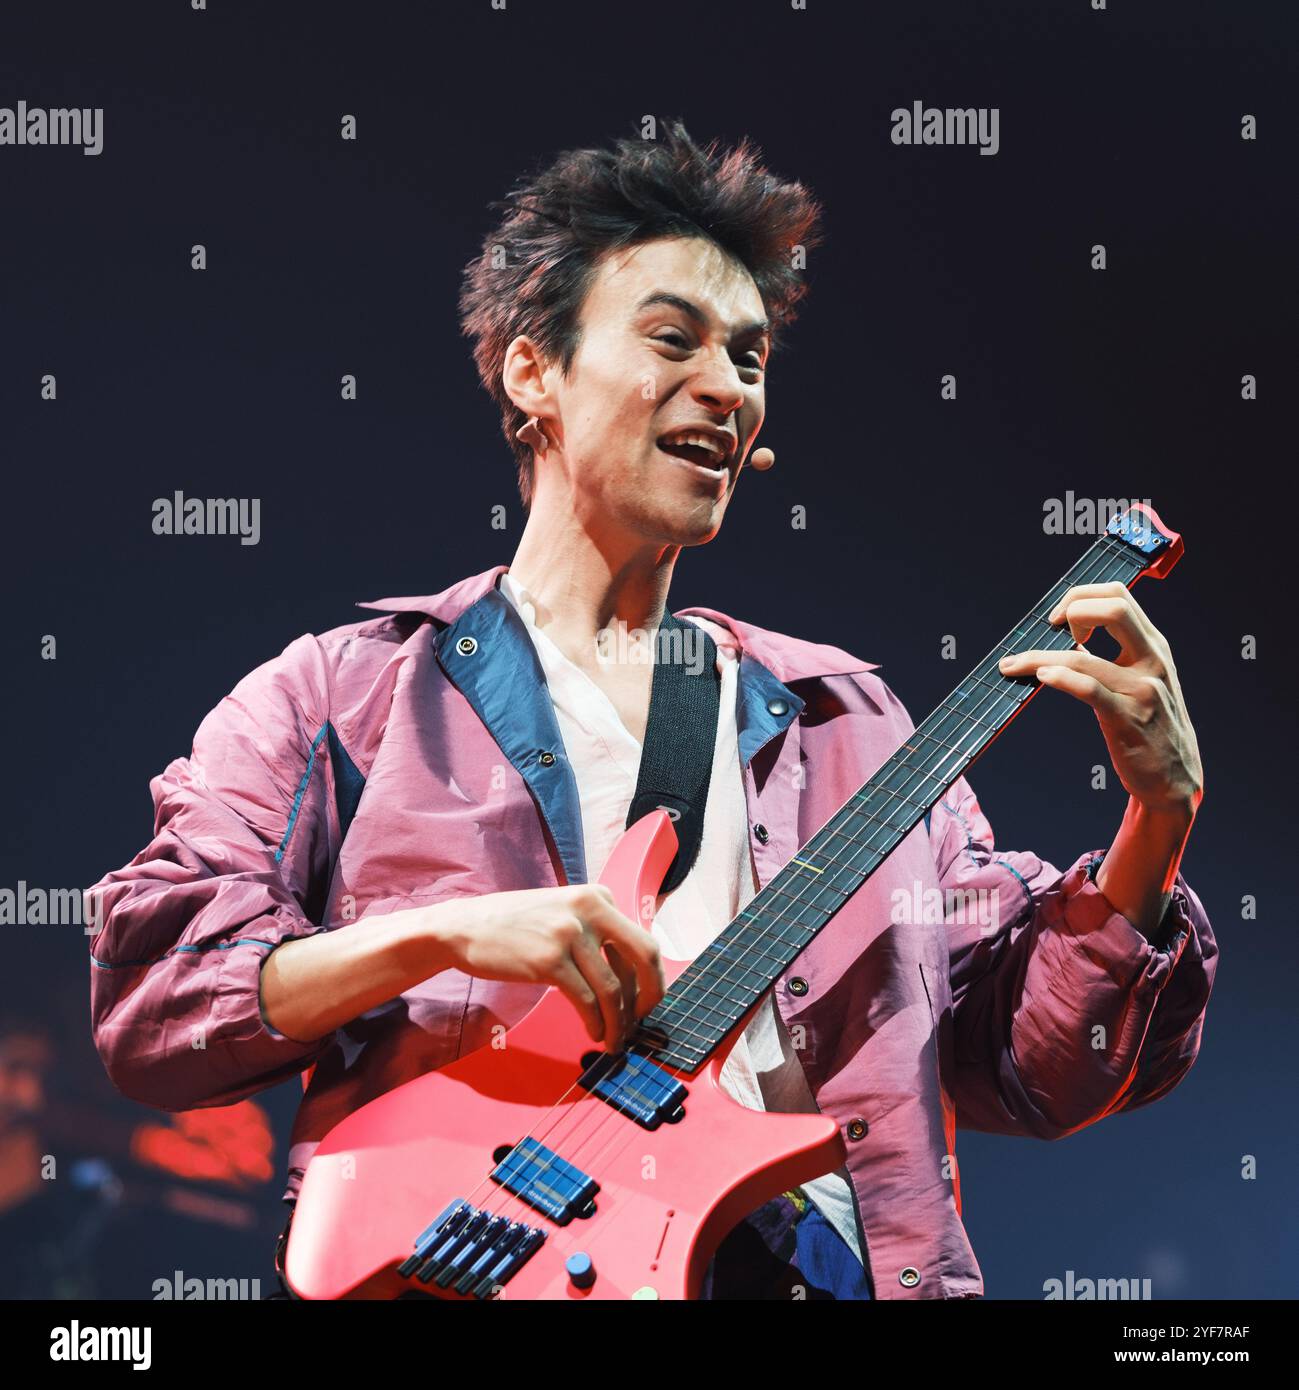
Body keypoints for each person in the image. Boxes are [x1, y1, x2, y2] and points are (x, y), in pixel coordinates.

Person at [88, 121, 1216, 1300]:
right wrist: (436, 935)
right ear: (536, 372)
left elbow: (1031, 1069)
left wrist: (1155, 826)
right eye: (674, 338)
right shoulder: (345, 696)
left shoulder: (848, 724)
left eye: (751, 357)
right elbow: (157, 1006)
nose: (728, 385)